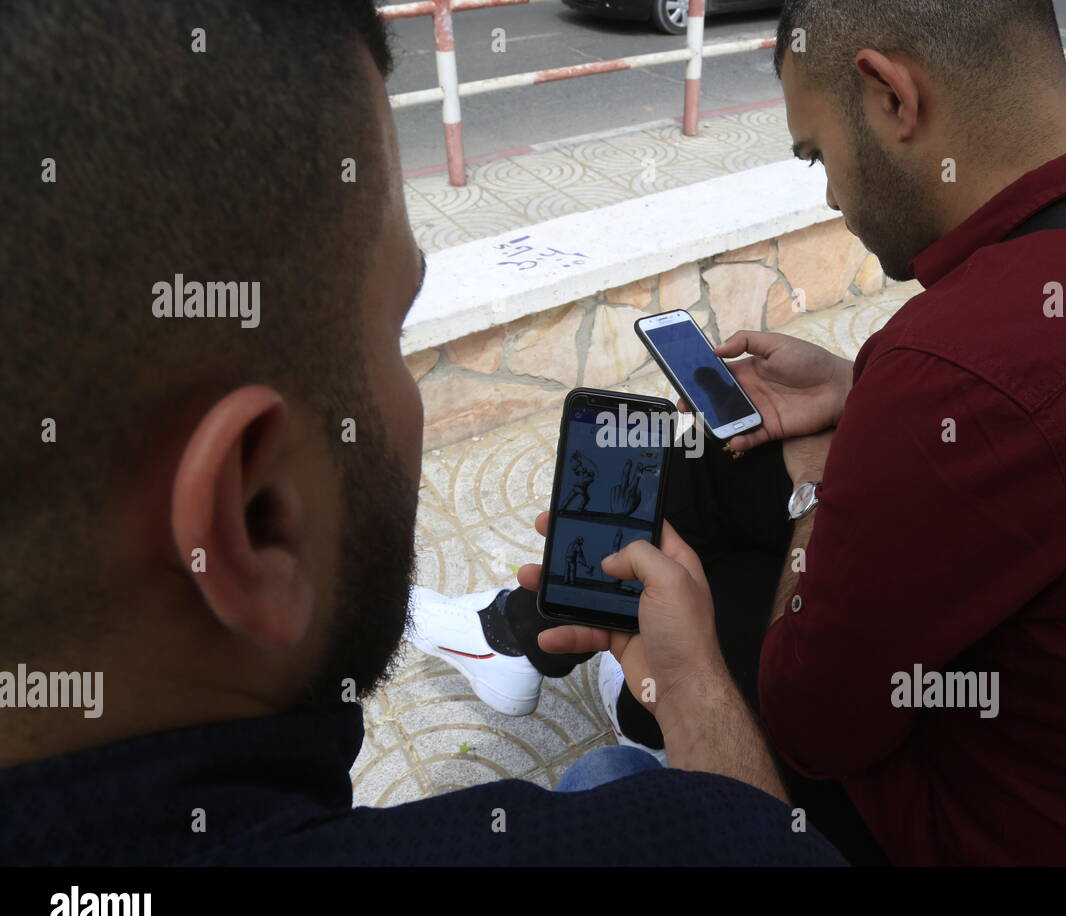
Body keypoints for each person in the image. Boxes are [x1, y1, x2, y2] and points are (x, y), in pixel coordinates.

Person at [432, 0, 1066, 866]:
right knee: (719, 459)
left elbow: (813, 728)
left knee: (614, 770)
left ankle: (572, 650)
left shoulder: (961, 361)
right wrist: (864, 392)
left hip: (997, 826)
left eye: (817, 154)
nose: (830, 193)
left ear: (891, 97)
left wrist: (830, 465)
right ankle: (519, 630)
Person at [0, 0, 845, 867]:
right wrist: (698, 689)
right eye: (394, 334)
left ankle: (505, 637)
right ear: (257, 516)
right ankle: (511, 636)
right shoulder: (676, 844)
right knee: (608, 770)